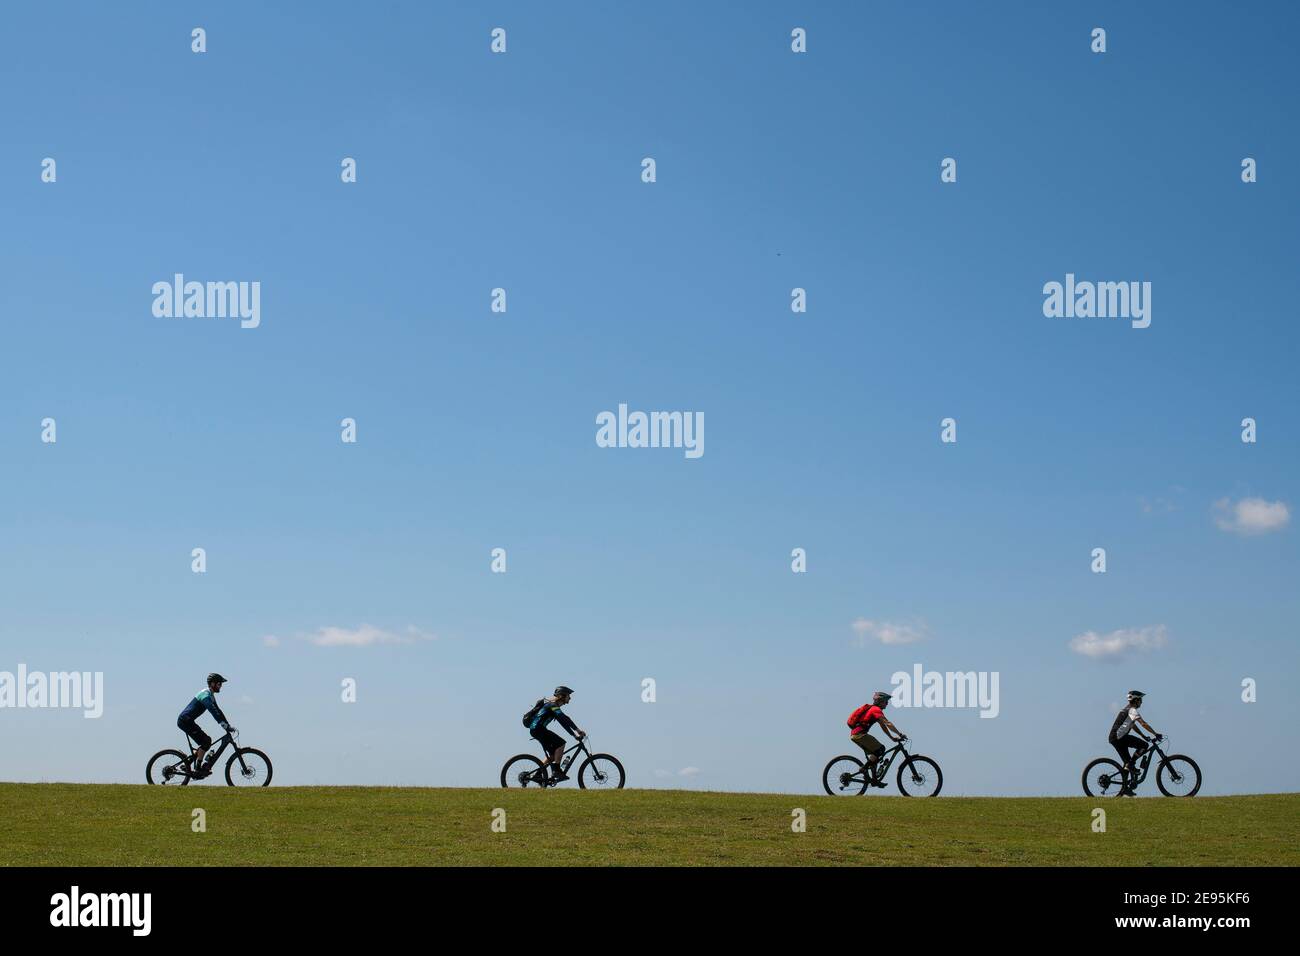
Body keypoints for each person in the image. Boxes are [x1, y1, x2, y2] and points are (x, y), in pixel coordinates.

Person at [178, 673, 235, 777]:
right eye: (219, 684)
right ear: (212, 683)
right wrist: (223, 724)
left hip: (188, 721)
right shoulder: (205, 694)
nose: (221, 686)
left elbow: (218, 711)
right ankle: (198, 768)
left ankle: (189, 763)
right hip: (185, 721)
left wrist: (227, 725)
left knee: (206, 742)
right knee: (206, 741)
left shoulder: (210, 695)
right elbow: (212, 710)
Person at [526, 685, 585, 782]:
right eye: (568, 696)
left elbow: (563, 721)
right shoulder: (552, 705)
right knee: (561, 743)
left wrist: (574, 734)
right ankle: (556, 771)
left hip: (537, 730)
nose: (570, 698)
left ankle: (538, 774)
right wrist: (577, 731)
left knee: (554, 755)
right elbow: (563, 719)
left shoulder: (553, 706)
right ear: (562, 696)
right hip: (538, 729)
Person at [846, 691, 906, 786]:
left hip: (857, 735)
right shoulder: (875, 709)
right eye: (886, 701)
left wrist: (892, 738)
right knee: (880, 749)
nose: (887, 703)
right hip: (859, 734)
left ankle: (874, 780)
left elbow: (883, 726)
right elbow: (888, 723)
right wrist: (900, 734)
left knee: (875, 755)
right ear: (880, 701)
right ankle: (863, 769)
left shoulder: (874, 710)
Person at [1109, 689, 1162, 795]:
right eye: (1140, 700)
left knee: (1127, 764)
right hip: (1119, 738)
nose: (1141, 702)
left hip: (1116, 738)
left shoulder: (1126, 709)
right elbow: (1143, 723)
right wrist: (1155, 734)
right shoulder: (1132, 710)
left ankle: (1125, 788)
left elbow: (1132, 725)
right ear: (1136, 700)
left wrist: (1143, 735)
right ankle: (1130, 765)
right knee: (1144, 745)